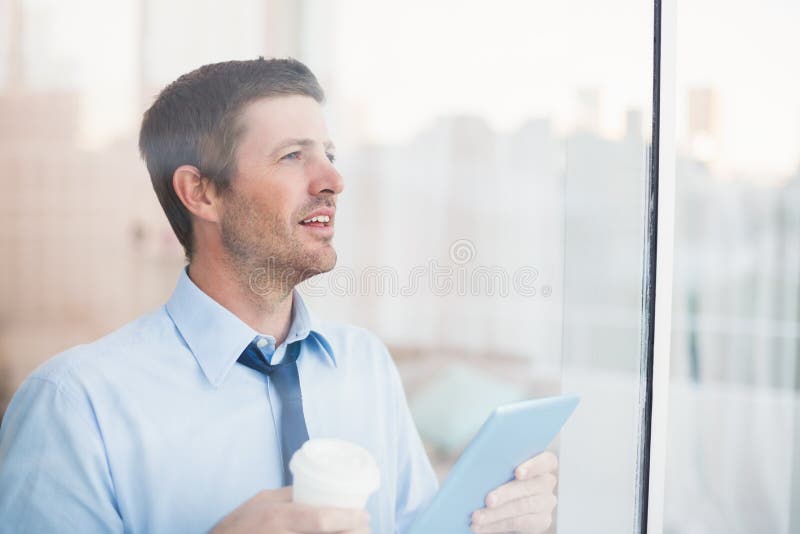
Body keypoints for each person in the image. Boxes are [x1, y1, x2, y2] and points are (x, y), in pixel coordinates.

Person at [0, 58, 559, 533]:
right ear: (201, 192)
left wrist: (496, 518)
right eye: (294, 156)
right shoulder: (74, 406)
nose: (332, 180)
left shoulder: (366, 366)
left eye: (330, 155)